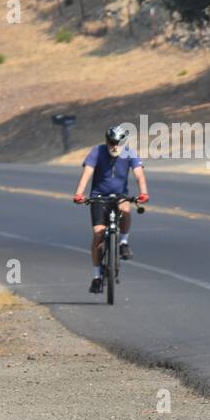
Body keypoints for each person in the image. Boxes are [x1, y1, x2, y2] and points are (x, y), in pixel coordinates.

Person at [72, 124, 149, 294]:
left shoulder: (130, 153)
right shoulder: (97, 152)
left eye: (118, 143)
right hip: (99, 197)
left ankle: (123, 242)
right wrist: (79, 193)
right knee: (98, 234)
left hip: (120, 195)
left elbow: (139, 174)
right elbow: (87, 173)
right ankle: (97, 276)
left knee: (127, 209)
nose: (114, 146)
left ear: (123, 142)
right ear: (106, 141)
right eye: (111, 142)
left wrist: (143, 193)